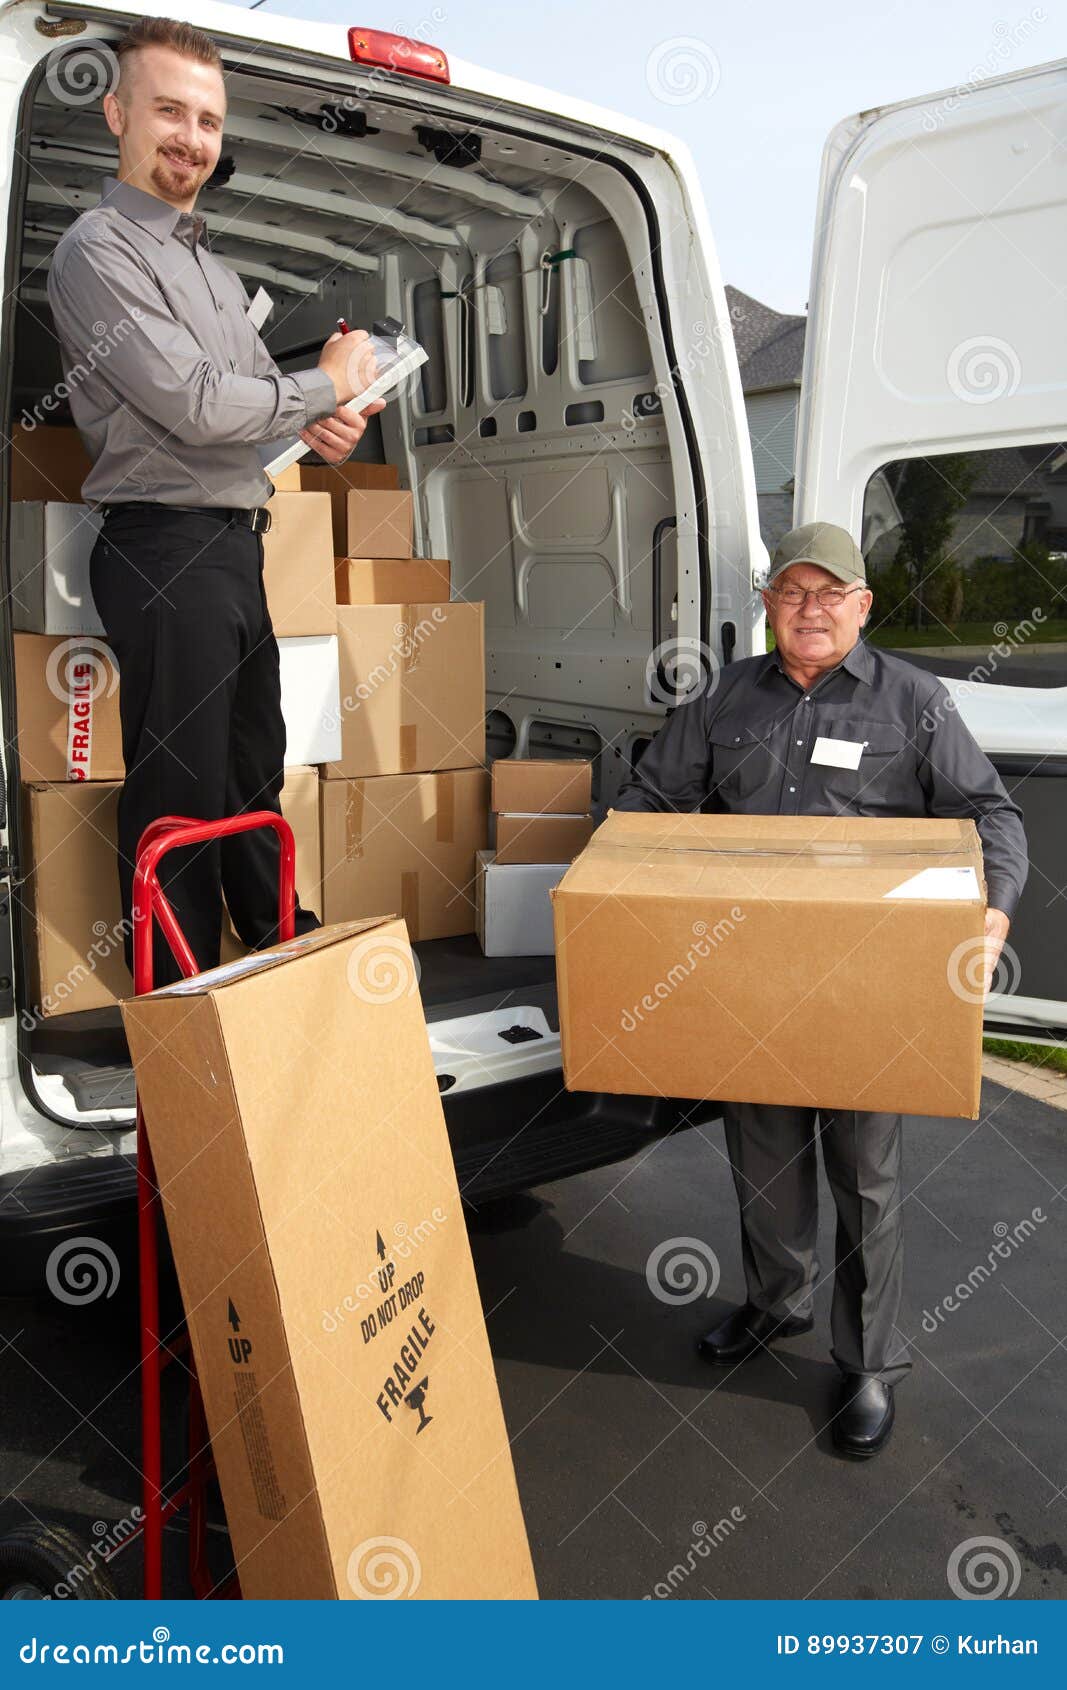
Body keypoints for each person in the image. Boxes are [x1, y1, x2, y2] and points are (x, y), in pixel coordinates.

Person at [615, 521, 1029, 1457]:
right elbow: (654, 802)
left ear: (862, 607)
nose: (811, 610)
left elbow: (987, 813)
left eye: (830, 594)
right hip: (749, 973)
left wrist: (992, 909)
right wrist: (622, 867)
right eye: (793, 593)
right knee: (762, 1160)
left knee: (864, 1180)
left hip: (866, 984)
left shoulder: (912, 701)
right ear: (767, 606)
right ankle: (774, 1303)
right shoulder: (724, 697)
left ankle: (868, 1363)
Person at [46, 15, 385, 985]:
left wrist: (324, 425)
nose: (192, 137)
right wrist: (322, 382)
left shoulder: (214, 268)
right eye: (169, 111)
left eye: (207, 118)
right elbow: (196, 407)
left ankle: (271, 941)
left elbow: (251, 421)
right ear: (117, 113)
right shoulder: (97, 250)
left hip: (234, 546)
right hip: (162, 548)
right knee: (182, 787)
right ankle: (179, 991)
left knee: (252, 766)